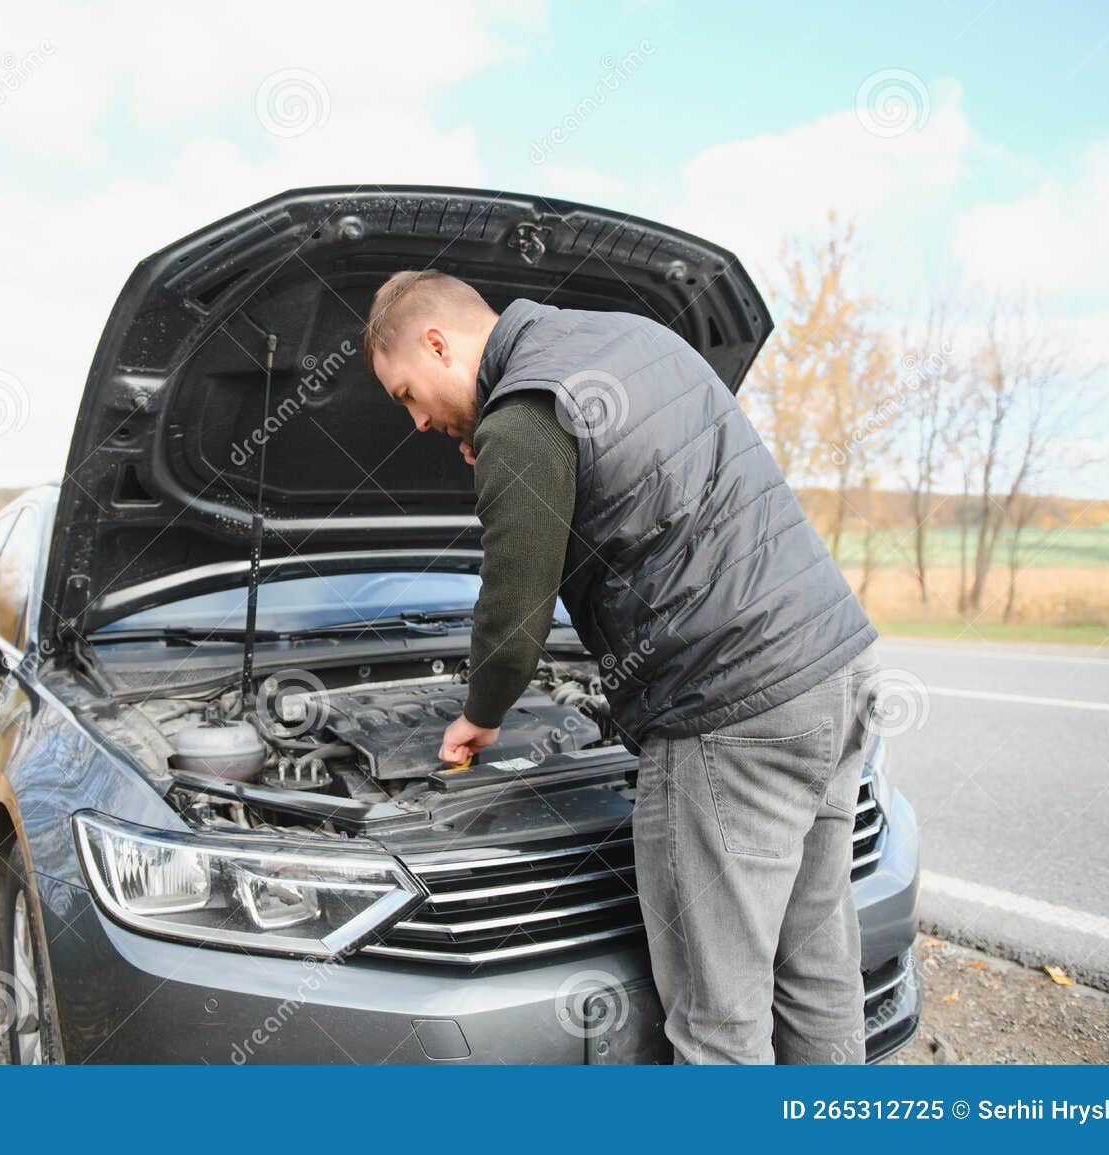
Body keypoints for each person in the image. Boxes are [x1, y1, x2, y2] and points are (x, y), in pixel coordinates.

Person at [363, 269, 882, 1064]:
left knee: (718, 1021)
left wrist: (481, 713)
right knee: (816, 972)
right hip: (833, 668)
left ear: (438, 342)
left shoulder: (525, 415)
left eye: (406, 394)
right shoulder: (633, 340)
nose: (418, 420)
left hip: (729, 709)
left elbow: (514, 607)